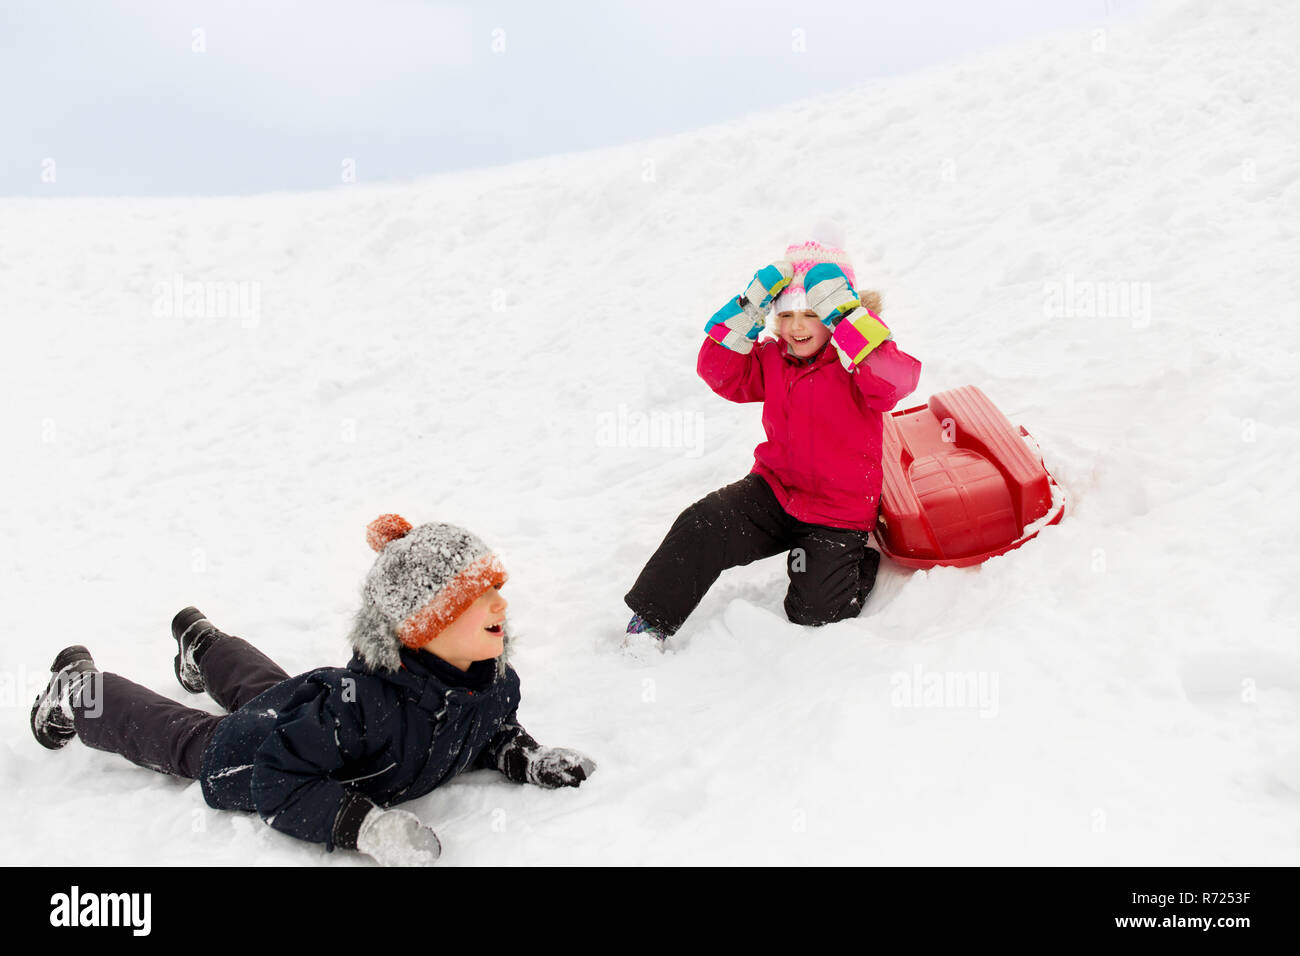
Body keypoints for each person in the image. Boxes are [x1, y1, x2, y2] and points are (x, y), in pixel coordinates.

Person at [30, 514, 596, 866]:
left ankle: (202, 642)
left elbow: (488, 731)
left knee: (269, 691)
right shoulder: (363, 709)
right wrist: (365, 826)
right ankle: (80, 689)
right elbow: (279, 780)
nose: (500, 604)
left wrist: (525, 756)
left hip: (306, 712)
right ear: (422, 630)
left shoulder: (492, 682)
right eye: (475, 600)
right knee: (191, 739)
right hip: (261, 753)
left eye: (496, 588)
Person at [623, 226, 922, 651]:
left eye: (813, 313)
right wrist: (747, 307)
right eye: (785, 314)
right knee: (704, 522)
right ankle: (650, 622)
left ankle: (857, 562)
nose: (797, 327)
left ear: (838, 314)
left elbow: (895, 384)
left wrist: (849, 321)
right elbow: (719, 372)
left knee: (815, 614)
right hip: (776, 493)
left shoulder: (857, 360)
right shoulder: (772, 357)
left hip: (837, 512)